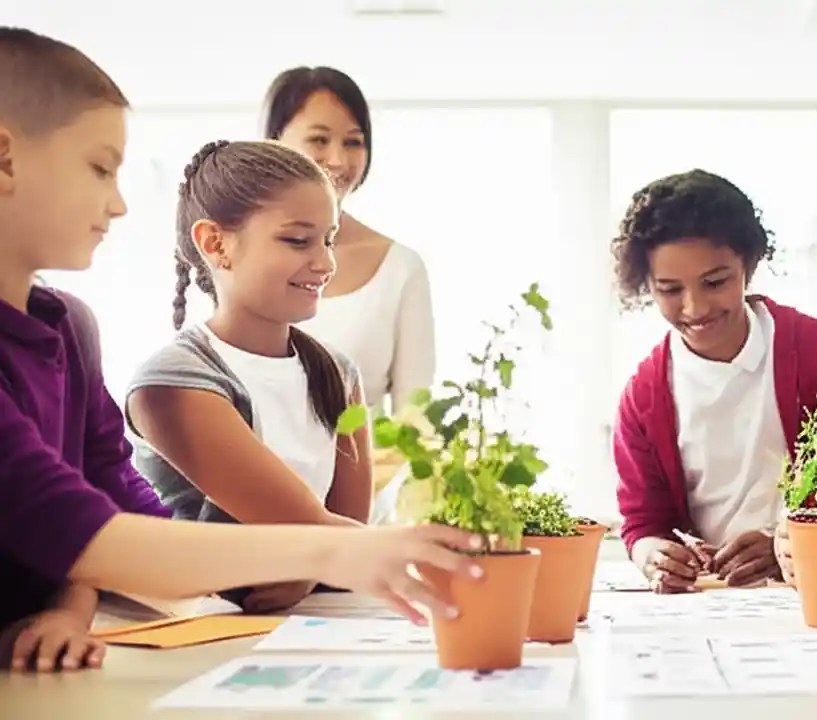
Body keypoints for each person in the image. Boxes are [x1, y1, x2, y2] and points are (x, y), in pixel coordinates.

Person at [0, 27, 481, 674]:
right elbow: (75, 526)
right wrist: (328, 550)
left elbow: (111, 514)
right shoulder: (175, 377)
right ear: (5, 160)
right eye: (100, 168)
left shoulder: (72, 329)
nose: (118, 203)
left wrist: (68, 607)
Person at [126, 139, 371, 614]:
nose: (325, 263)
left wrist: (311, 568)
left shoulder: (340, 374)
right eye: (297, 240)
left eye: (328, 239)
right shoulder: (172, 382)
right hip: (193, 624)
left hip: (295, 624)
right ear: (215, 244)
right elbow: (322, 537)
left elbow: (341, 540)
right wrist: (317, 560)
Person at [612, 169, 817, 593]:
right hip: (712, 600)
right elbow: (643, 524)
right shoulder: (643, 397)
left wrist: (786, 547)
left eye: (715, 282)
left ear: (748, 265)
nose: (695, 307)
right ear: (647, 285)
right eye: (670, 290)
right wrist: (652, 555)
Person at [262, 67, 434, 523]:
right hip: (249, 513)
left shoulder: (401, 267)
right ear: (275, 141)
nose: (337, 159)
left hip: (359, 520)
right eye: (319, 139)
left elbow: (414, 419)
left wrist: (338, 505)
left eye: (353, 142)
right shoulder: (239, 258)